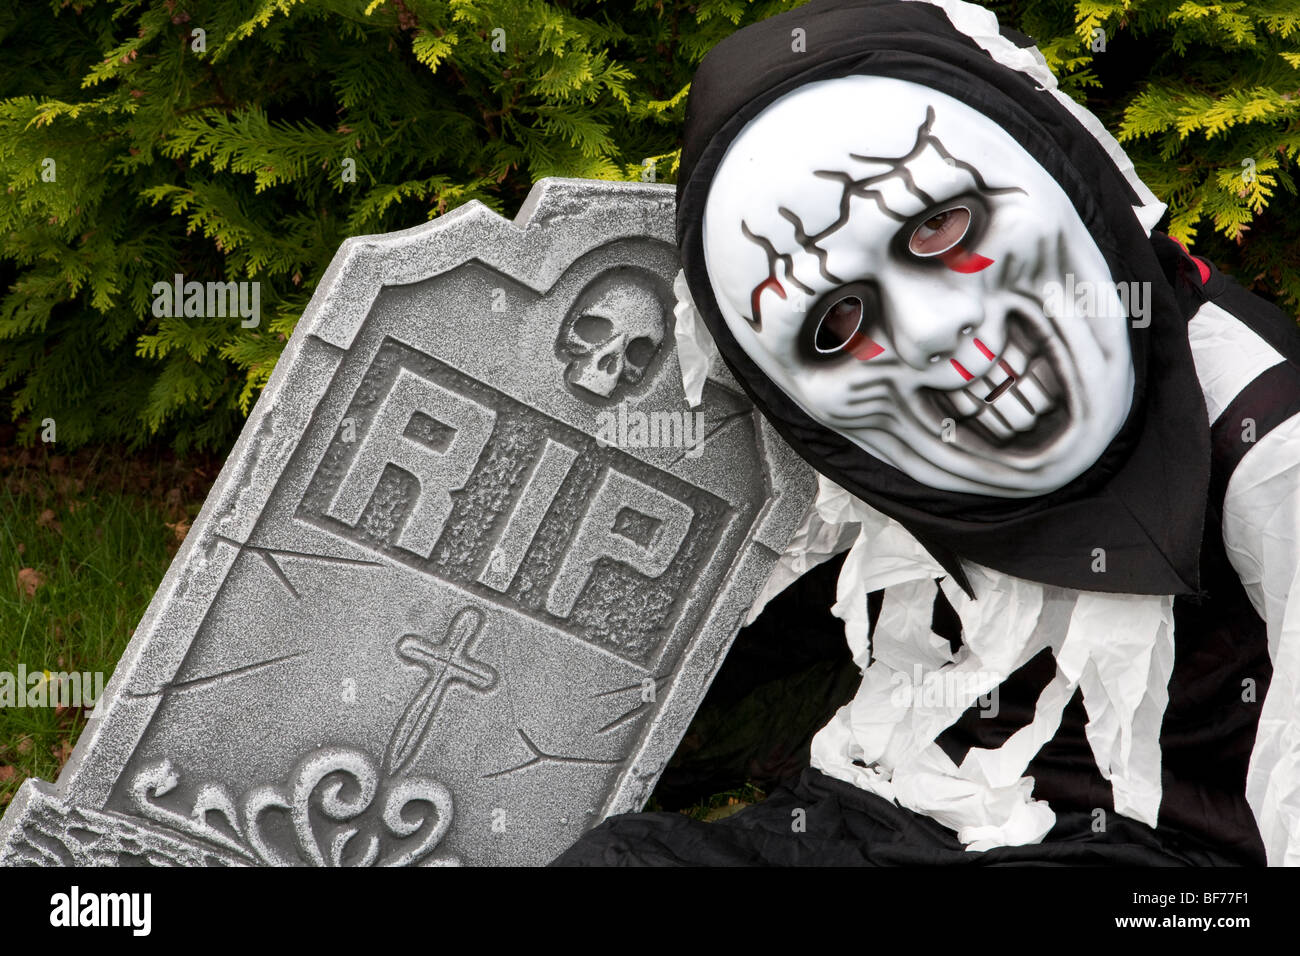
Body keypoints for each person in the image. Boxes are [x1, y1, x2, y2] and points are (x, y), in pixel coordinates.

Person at [553, 0, 1300, 866]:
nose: (935, 333)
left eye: (938, 226)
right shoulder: (879, 458)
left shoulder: (1262, 429)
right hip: (907, 808)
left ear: (1060, 162)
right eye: (838, 322)